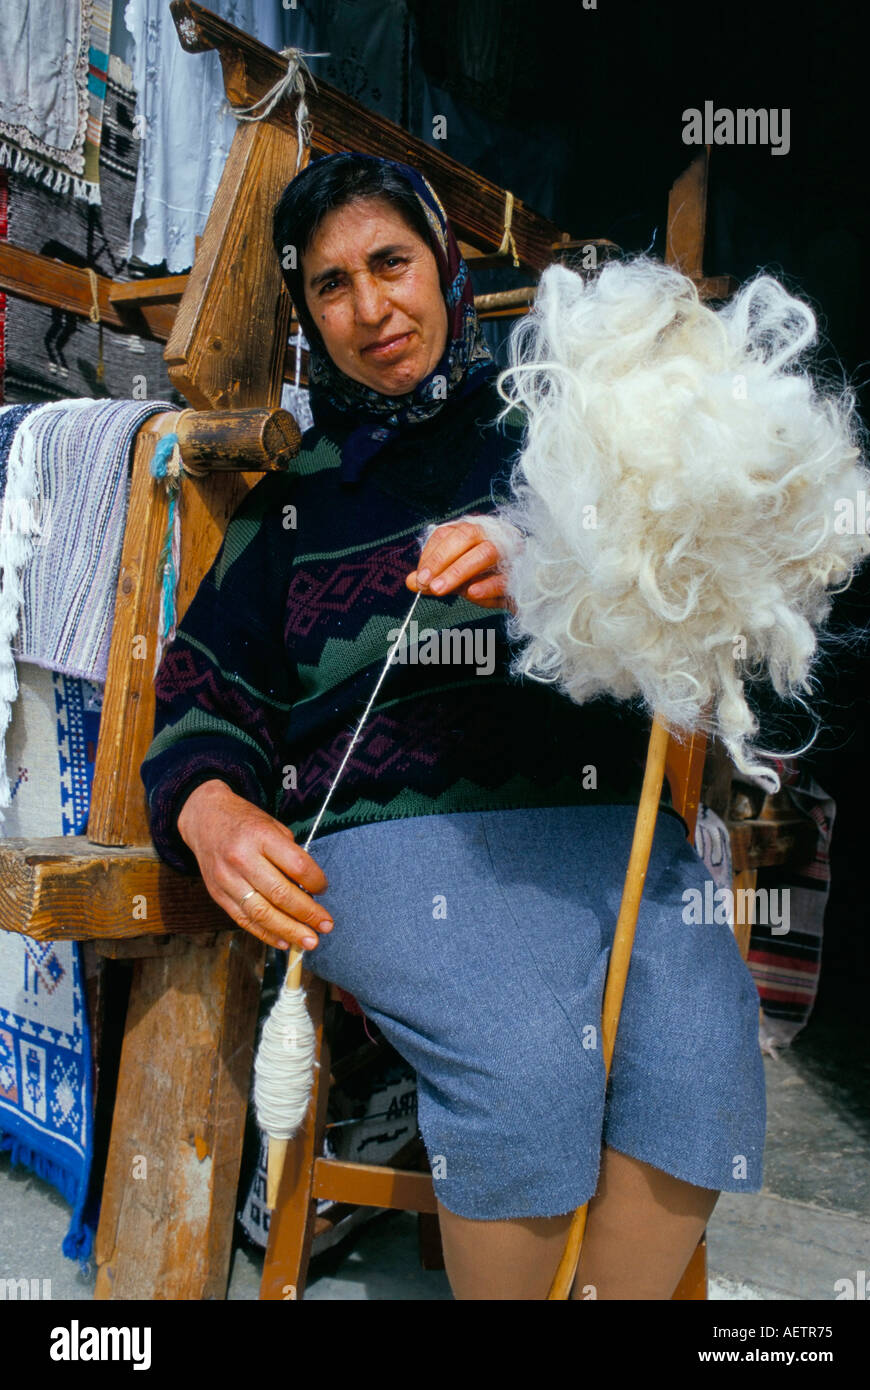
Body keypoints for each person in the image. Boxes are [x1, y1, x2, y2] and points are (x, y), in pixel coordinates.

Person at [140, 151, 766, 1301]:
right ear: (306, 313)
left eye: (391, 262)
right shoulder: (291, 505)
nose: (370, 307)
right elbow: (201, 696)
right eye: (330, 284)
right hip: (388, 837)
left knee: (703, 1058)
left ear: (444, 267)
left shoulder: (557, 434)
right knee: (526, 1063)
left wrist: (558, 568)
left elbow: (688, 577)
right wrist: (213, 809)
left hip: (592, 826)